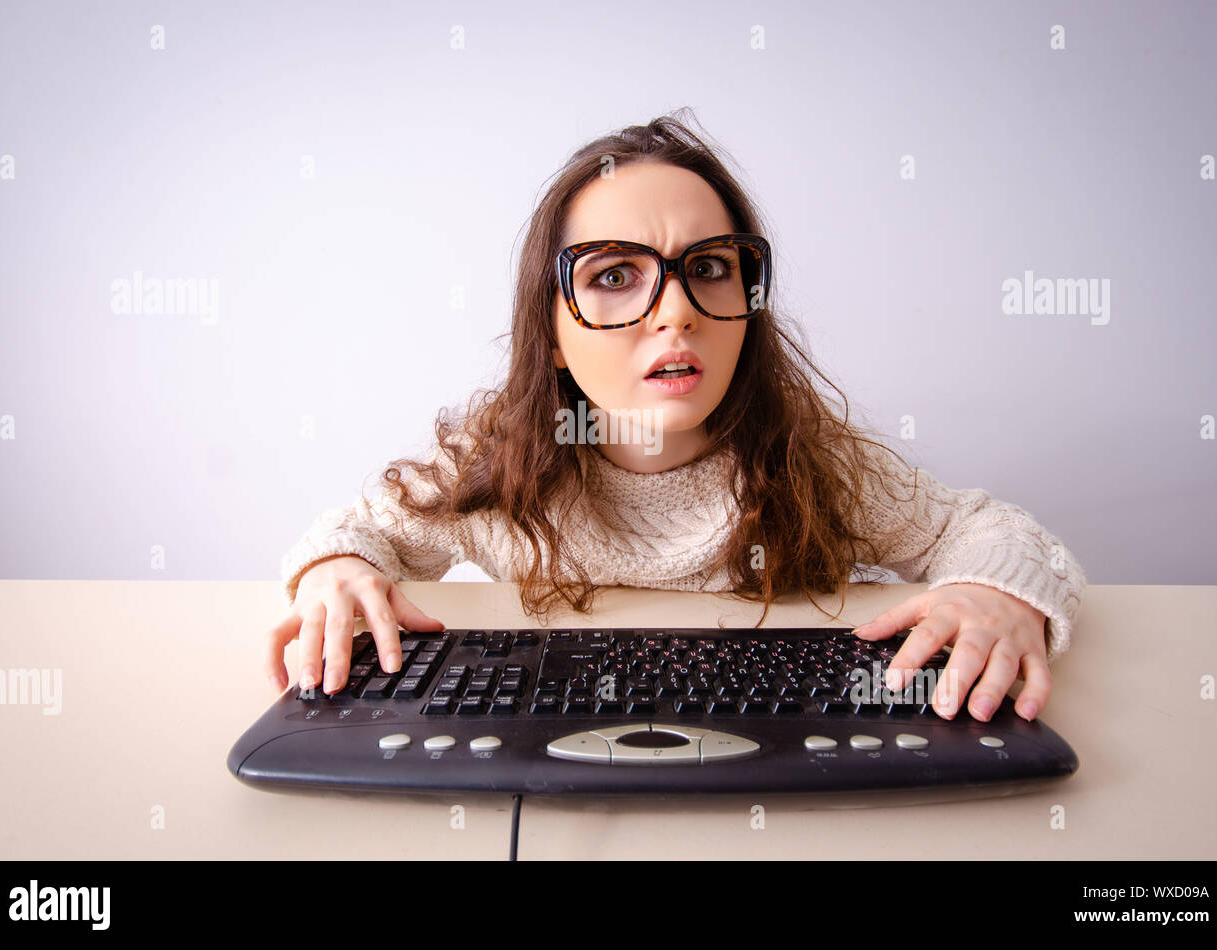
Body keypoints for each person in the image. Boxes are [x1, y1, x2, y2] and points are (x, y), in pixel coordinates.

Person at [262, 110, 1086, 724]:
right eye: (616, 275)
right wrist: (336, 571)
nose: (676, 312)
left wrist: (990, 590)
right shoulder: (502, 462)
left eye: (710, 268)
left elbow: (981, 528)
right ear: (551, 335)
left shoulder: (811, 459)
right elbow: (360, 532)